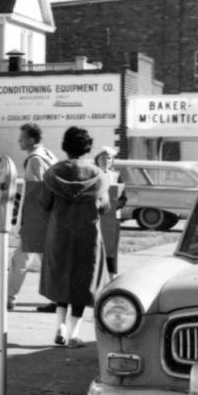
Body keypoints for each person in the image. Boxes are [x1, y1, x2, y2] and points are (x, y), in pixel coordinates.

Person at [40, 126, 109, 348]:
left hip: (60, 231)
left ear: (65, 146)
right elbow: (104, 207)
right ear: (87, 147)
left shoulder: (52, 173)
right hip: (87, 233)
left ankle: (59, 326)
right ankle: (74, 333)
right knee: (83, 280)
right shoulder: (98, 174)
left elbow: (45, 204)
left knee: (61, 277)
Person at [0, 122, 57, 312]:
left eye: (22, 138)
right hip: (47, 218)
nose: (19, 141)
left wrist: (24, 222)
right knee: (32, 260)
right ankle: (56, 300)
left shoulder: (34, 159)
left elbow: (35, 194)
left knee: (21, 259)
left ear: (31, 140)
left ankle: (8, 299)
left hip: (37, 220)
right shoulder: (47, 154)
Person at [95, 146, 126, 276]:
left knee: (111, 248)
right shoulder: (93, 174)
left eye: (109, 158)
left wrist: (114, 205)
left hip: (112, 219)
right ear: (97, 160)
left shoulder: (116, 176)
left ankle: (111, 275)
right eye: (103, 158)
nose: (106, 161)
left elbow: (123, 199)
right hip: (96, 218)